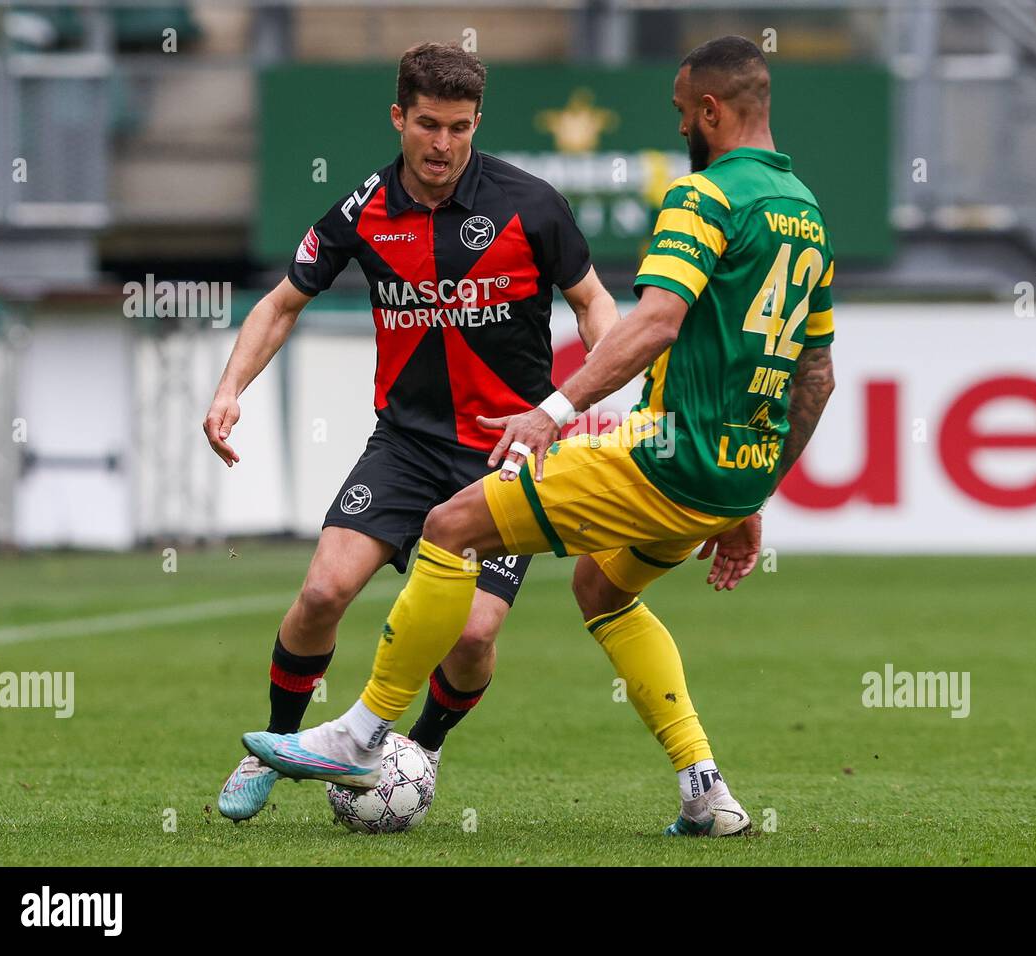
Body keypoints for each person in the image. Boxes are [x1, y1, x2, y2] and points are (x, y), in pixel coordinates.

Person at [243, 35, 837, 837]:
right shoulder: (807, 213)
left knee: (450, 528)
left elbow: (654, 323)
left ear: (710, 110)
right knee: (601, 588)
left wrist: (553, 411)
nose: (678, 129)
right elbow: (816, 378)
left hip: (663, 454)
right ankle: (706, 790)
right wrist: (750, 493)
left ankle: (357, 734)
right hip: (731, 475)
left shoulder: (704, 199)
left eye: (679, 113)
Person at [204, 41, 617, 820]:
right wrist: (230, 389)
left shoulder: (532, 204)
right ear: (399, 117)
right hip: (405, 446)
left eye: (460, 127)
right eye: (427, 124)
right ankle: (275, 746)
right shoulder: (364, 210)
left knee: (471, 638)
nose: (442, 145)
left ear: (476, 123)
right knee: (323, 590)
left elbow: (595, 303)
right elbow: (282, 302)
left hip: (504, 454)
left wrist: (579, 392)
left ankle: (416, 751)